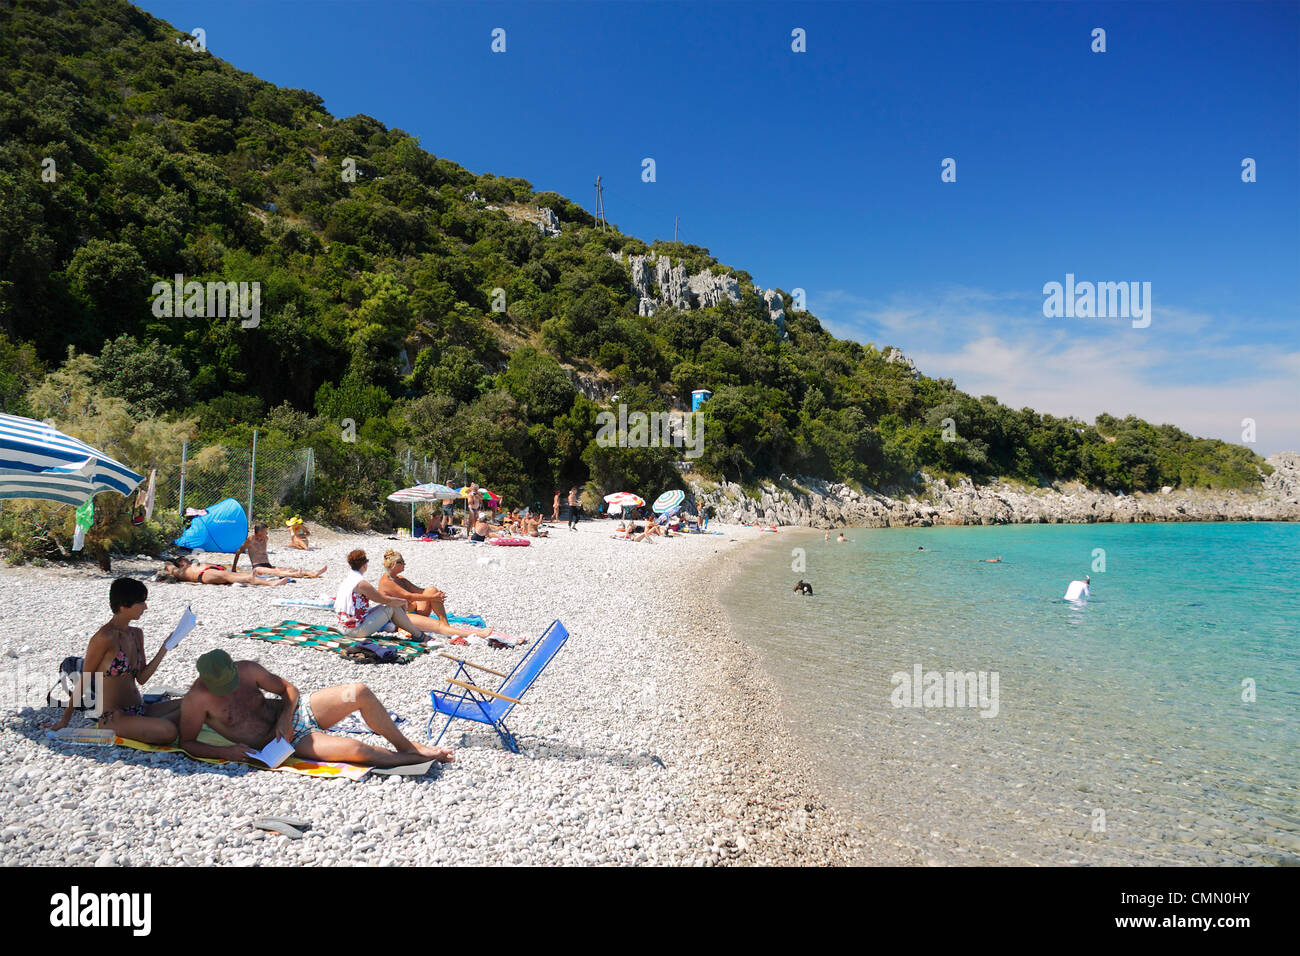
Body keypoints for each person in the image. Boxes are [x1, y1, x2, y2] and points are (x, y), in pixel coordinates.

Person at [178, 649, 452, 769]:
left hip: (295, 715)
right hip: (283, 743)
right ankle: (418, 759)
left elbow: (289, 689)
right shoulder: (196, 700)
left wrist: (286, 716)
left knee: (358, 691)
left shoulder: (247, 669)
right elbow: (188, 742)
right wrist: (225, 752)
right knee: (358, 751)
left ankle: (407, 747)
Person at [49, 578, 180, 744]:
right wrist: (64, 720)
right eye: (141, 602)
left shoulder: (136, 634)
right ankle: (166, 725)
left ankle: (158, 725)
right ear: (123, 606)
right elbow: (85, 678)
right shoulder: (104, 637)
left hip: (140, 708)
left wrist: (165, 648)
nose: (145, 607)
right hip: (113, 717)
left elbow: (141, 678)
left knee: (192, 704)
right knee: (168, 731)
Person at [376, 550, 494, 639]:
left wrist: (436, 594)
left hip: (413, 610)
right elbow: (409, 596)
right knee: (437, 624)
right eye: (402, 562)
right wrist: (432, 598)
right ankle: (477, 634)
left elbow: (419, 590)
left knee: (431, 589)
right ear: (393, 564)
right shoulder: (387, 582)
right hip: (400, 617)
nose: (404, 564)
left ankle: (446, 624)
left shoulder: (400, 579)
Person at [335, 550, 431, 640]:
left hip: (343, 626)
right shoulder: (361, 583)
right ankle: (419, 635)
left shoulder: (348, 580)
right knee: (391, 607)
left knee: (390, 606)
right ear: (364, 565)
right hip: (354, 631)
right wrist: (402, 602)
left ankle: (415, 632)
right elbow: (382, 599)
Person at [232, 522, 326, 577]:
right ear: (260, 532)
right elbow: (238, 552)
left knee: (288, 569)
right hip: (257, 567)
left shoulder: (265, 538)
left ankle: (312, 573)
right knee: (277, 572)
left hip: (267, 564)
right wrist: (233, 568)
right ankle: (296, 575)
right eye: (265, 531)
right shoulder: (250, 540)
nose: (267, 533)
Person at [158, 558, 288, 587]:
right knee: (230, 576)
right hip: (204, 575)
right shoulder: (181, 571)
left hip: (208, 572)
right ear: (181, 562)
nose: (188, 559)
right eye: (185, 559)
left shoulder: (189, 566)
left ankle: (270, 581)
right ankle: (271, 584)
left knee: (237, 575)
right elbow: (168, 566)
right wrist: (168, 562)